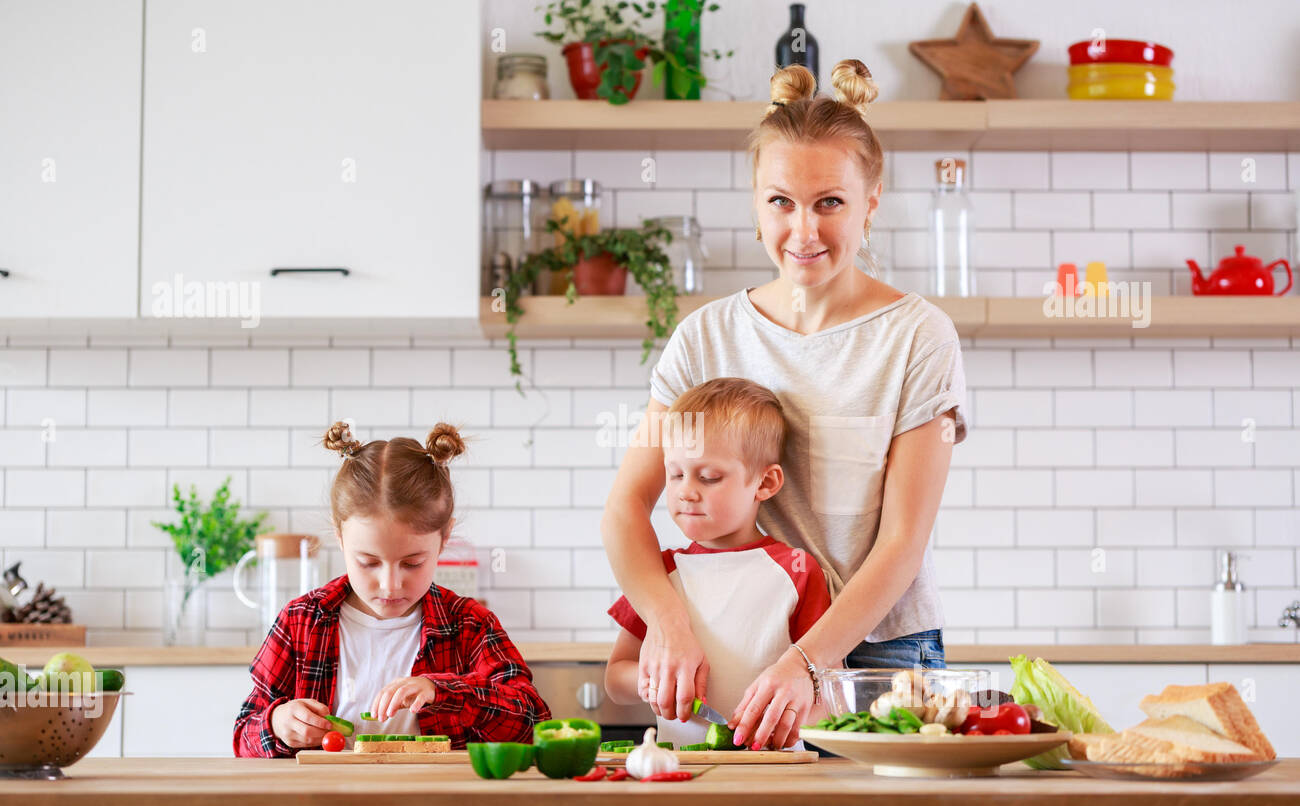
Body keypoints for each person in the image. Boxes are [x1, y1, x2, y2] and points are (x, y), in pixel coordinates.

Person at [599, 58, 969, 753]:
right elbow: (626, 508)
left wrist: (810, 662)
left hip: (879, 655)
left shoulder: (919, 338)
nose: (803, 230)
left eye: (830, 201)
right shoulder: (704, 339)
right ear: (754, 204)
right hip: (745, 645)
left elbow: (901, 544)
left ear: (871, 203)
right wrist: (668, 622)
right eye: (781, 202)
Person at [233, 421, 550, 757]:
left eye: (412, 563)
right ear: (340, 538)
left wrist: (444, 692)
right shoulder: (302, 622)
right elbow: (243, 737)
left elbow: (533, 722)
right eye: (368, 562)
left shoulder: (469, 624)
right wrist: (278, 723)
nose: (390, 584)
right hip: (325, 805)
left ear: (444, 537)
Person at [603, 378, 834, 749]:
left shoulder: (797, 571)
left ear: (765, 482)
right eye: (675, 474)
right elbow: (615, 679)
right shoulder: (657, 574)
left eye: (708, 477)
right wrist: (650, 683)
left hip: (778, 774)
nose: (686, 491)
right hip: (680, 773)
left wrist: (787, 713)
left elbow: (831, 689)